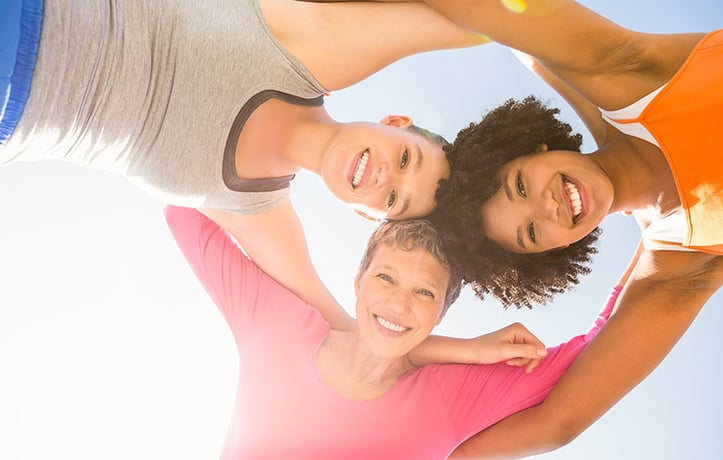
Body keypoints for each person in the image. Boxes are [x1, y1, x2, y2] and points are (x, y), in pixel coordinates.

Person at [166, 204, 723, 459]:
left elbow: (591, 361)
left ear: (441, 313)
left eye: (424, 293)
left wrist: (664, 224)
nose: (398, 303)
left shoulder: (448, 396)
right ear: (358, 279)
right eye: (385, 277)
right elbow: (186, 208)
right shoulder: (274, 325)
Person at [418, 0, 723, 308]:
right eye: (533, 232)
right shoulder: (677, 257)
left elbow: (514, 24)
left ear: (534, 150)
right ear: (558, 249)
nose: (548, 206)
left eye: (521, 186)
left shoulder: (626, 76)